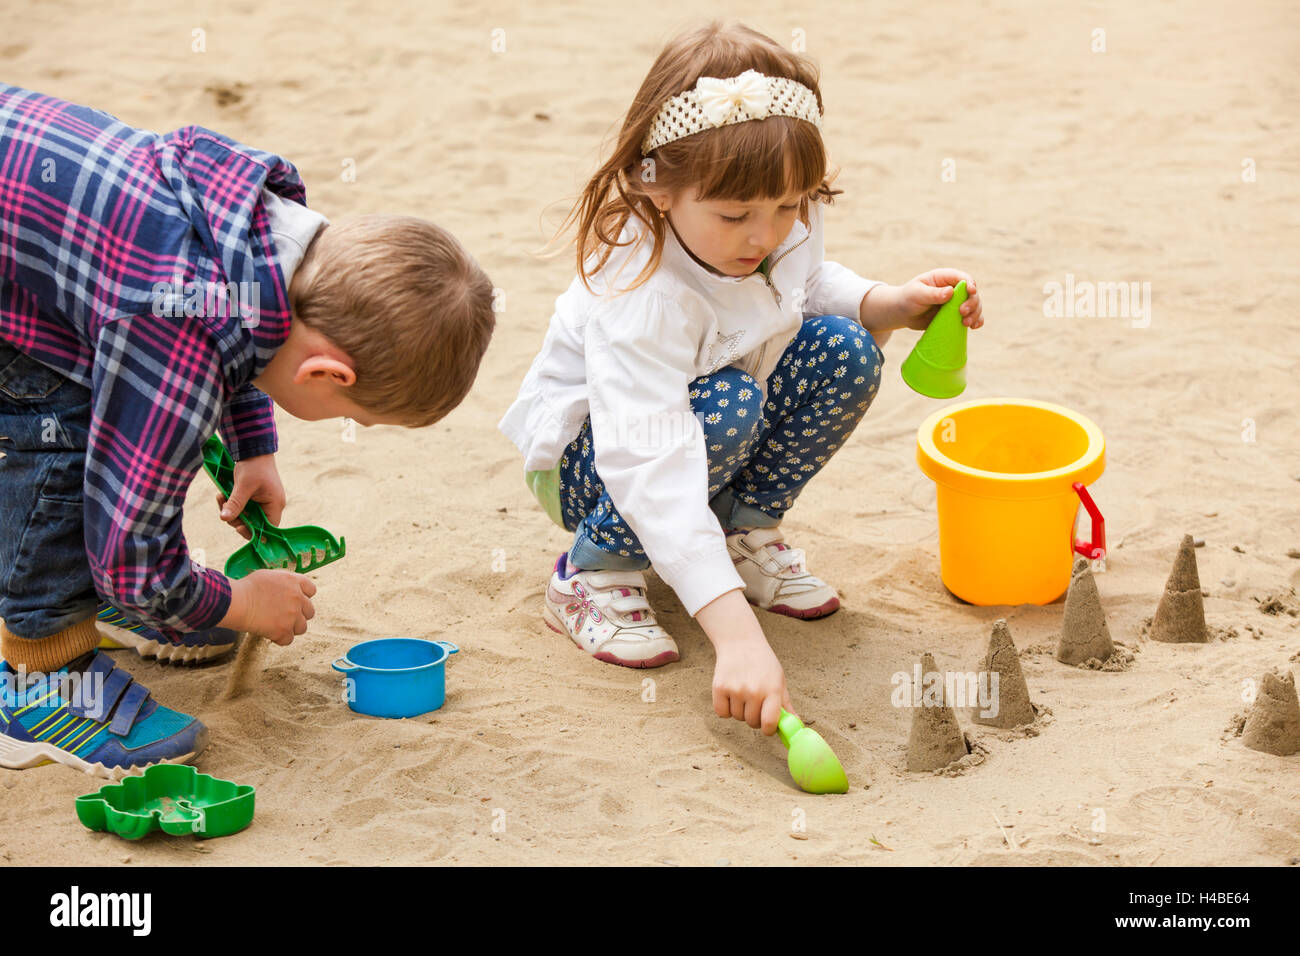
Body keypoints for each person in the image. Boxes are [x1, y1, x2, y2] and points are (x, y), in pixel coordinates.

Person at [500, 22, 984, 735]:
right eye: (735, 215)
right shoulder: (643, 293)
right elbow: (648, 457)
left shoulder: (777, 221)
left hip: (720, 420)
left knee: (847, 349)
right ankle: (592, 574)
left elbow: (805, 282)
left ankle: (740, 532)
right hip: (599, 465)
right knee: (727, 403)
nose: (765, 236)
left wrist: (887, 303)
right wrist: (735, 637)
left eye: (790, 207)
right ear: (657, 186)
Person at [0, 84, 495, 775]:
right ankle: (40, 675)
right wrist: (240, 601)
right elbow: (131, 551)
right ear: (330, 374)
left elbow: (247, 340)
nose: (346, 423)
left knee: (104, 418)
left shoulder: (264, 229)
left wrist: (252, 446)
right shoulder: (175, 325)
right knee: (61, 427)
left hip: (34, 217)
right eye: (355, 416)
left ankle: (99, 604)